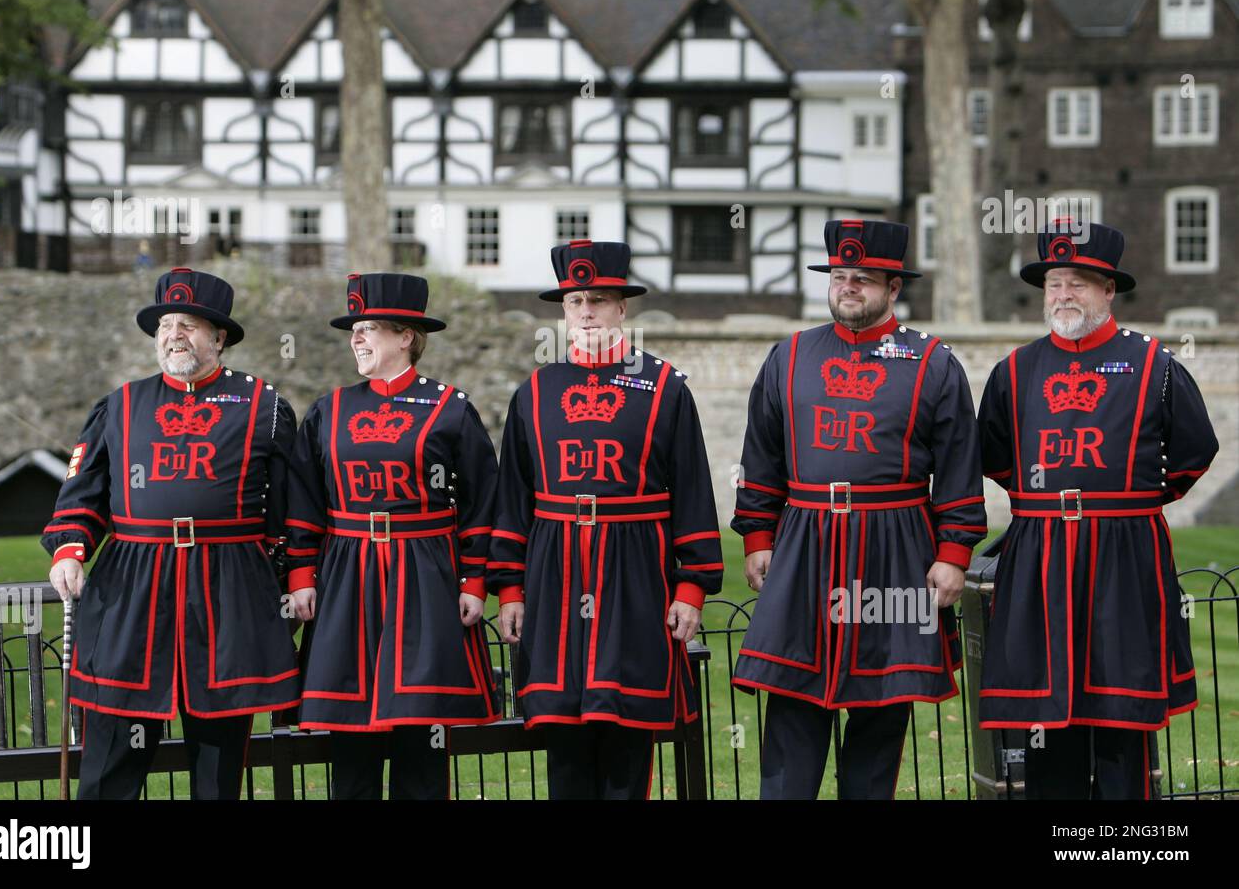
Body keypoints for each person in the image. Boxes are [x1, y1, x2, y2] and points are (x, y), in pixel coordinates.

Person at [731, 219, 987, 799]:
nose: (849, 286)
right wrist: (757, 537)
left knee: (880, 709)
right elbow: (762, 457)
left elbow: (957, 466)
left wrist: (953, 553)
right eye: (840, 276)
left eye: (864, 279)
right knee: (793, 700)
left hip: (894, 547)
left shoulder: (932, 362)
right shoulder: (790, 356)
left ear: (892, 287)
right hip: (803, 545)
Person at [977, 218, 1218, 799]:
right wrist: (1048, 505)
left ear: (1109, 290)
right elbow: (994, 455)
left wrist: (1125, 503)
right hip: (1038, 553)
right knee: (1045, 715)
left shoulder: (1156, 364)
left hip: (1124, 551)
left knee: (1121, 716)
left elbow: (1194, 452)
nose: (1064, 295)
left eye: (1079, 283)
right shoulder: (1013, 371)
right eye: (1055, 282)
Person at [43, 267, 300, 799]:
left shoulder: (266, 408)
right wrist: (70, 550)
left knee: (217, 775)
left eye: (187, 324)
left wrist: (284, 573)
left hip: (227, 594)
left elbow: (291, 509)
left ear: (219, 337)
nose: (172, 334)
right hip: (131, 594)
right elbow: (81, 492)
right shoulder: (121, 405)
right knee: (110, 764)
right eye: (165, 324)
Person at [488, 239, 723, 799]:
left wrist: (691, 587)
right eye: (575, 301)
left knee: (626, 733)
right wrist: (510, 589)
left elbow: (692, 491)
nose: (586, 311)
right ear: (563, 311)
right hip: (555, 574)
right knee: (563, 738)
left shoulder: (666, 387)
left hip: (635, 572)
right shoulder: (535, 392)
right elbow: (513, 499)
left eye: (599, 299)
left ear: (623, 308)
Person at [284, 273, 499, 800]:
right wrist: (300, 574)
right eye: (354, 330)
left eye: (369, 329)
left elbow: (483, 503)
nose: (357, 339)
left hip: (425, 576)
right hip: (346, 580)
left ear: (406, 336)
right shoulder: (327, 411)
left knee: (421, 738)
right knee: (351, 741)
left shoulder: (451, 408)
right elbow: (304, 502)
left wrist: (475, 581)